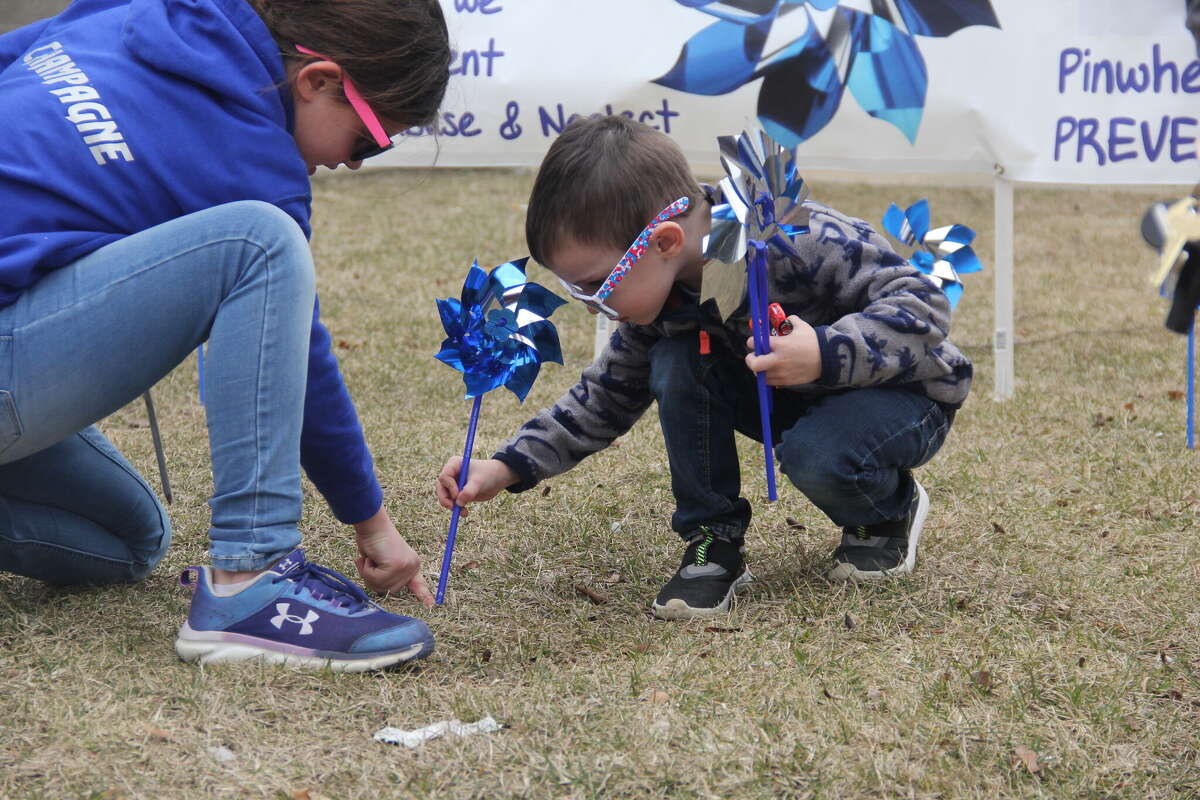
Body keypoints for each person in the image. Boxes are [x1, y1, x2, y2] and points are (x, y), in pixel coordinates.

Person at [0, 0, 450, 671]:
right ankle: (253, 580)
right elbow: (298, 356)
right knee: (260, 243)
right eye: (370, 140)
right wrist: (372, 525)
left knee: (127, 538)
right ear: (318, 81)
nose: (358, 163)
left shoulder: (131, 12)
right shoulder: (259, 161)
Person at [437, 116, 972, 620]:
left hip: (901, 397)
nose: (587, 304)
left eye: (596, 285)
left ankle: (885, 513)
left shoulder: (798, 236)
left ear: (665, 242)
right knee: (675, 358)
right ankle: (712, 540)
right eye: (574, 289)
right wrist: (508, 465)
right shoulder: (660, 302)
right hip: (796, 403)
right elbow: (606, 396)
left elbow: (924, 305)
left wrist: (827, 351)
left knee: (818, 454)